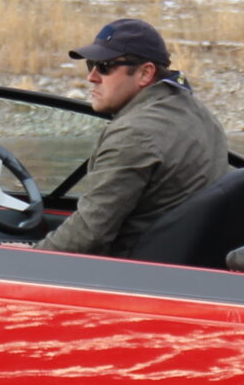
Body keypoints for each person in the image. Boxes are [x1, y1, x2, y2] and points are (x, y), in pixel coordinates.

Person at [34, 18, 229, 256]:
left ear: (145, 73)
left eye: (104, 66)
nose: (92, 77)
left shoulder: (133, 134)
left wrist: (28, 256)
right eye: (90, 64)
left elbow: (88, 235)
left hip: (134, 275)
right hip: (186, 265)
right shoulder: (200, 114)